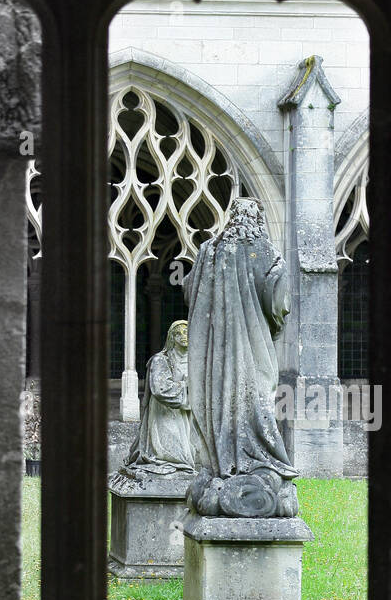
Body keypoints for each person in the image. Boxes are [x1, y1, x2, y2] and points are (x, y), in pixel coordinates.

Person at [184, 197, 298, 517]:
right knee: (257, 404)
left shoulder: (208, 251)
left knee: (219, 407)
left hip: (215, 363)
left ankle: (222, 469)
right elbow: (280, 302)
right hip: (256, 354)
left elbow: (189, 291)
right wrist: (273, 324)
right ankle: (258, 466)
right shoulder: (264, 252)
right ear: (258, 218)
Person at [122, 320, 195, 476]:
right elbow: (160, 389)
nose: (184, 336)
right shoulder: (161, 359)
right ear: (172, 338)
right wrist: (185, 385)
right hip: (165, 411)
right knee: (170, 453)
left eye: (187, 332)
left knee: (188, 452)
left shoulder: (197, 361)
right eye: (179, 333)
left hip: (188, 414)